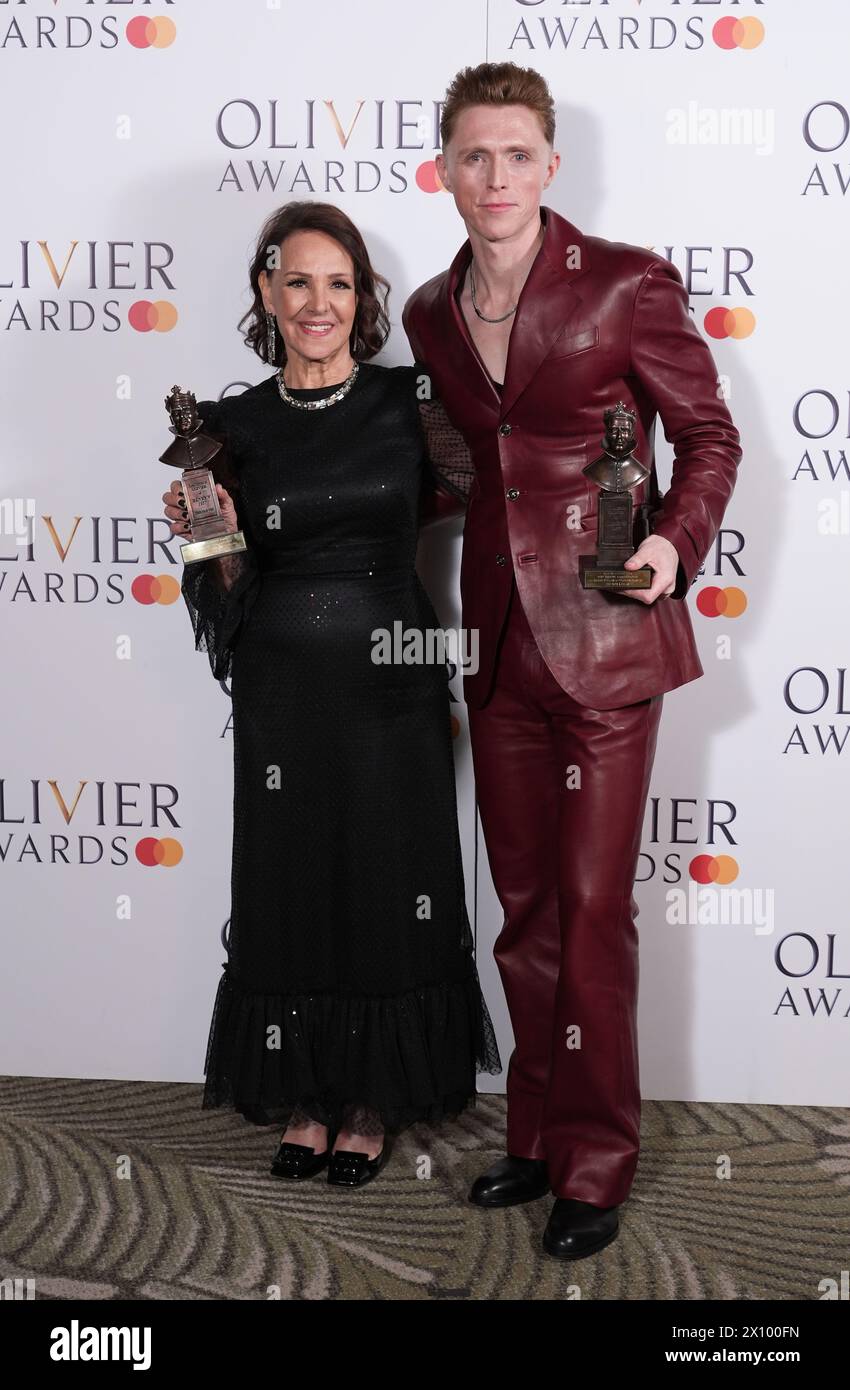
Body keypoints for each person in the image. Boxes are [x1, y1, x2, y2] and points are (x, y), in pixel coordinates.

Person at [402, 62, 742, 1257]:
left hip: (606, 635)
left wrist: (669, 539)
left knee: (595, 909)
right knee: (526, 911)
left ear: (552, 165)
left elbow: (706, 433)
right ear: (441, 169)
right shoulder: (430, 315)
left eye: (516, 155)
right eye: (472, 156)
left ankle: (598, 1159)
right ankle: (538, 1133)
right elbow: (459, 467)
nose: (494, 177)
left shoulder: (627, 284)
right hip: (496, 643)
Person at [161, 200, 501, 1189]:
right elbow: (223, 585)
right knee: (292, 884)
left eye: (339, 283)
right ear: (267, 292)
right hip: (282, 695)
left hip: (394, 677)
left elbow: (489, 489)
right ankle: (305, 1094)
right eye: (298, 280)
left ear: (365, 301)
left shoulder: (411, 401)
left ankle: (369, 1099)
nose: (318, 302)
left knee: (392, 886)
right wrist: (206, 535)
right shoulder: (225, 428)